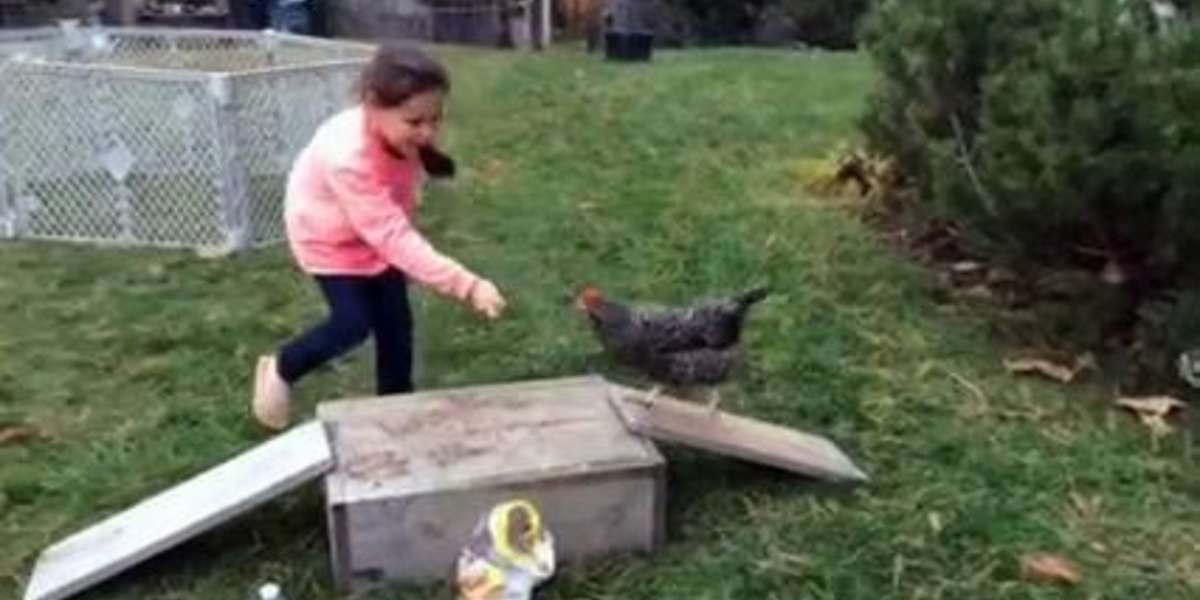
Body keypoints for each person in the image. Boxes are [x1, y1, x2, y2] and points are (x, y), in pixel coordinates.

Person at [253, 43, 507, 430]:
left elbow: (390, 223)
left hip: (374, 233)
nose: (427, 132)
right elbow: (392, 236)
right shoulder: (348, 157)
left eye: (435, 120)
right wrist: (467, 285)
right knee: (352, 324)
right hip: (329, 241)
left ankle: (396, 411)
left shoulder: (396, 131)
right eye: (415, 122)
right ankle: (283, 367)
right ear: (373, 105)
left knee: (396, 325)